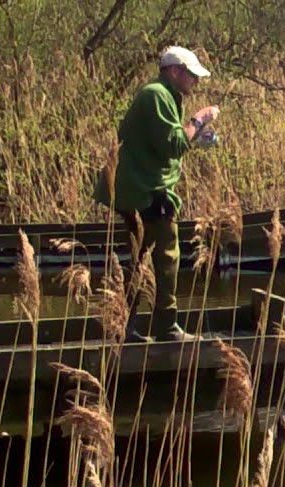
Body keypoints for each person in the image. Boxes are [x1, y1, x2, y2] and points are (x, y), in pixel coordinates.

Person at [94, 45, 220, 342]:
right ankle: (165, 327)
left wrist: (196, 136)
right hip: (143, 190)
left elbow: (166, 145)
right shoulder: (156, 95)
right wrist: (199, 119)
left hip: (143, 188)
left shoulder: (165, 96)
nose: (196, 81)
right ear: (174, 71)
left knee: (140, 257)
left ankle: (125, 326)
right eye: (192, 75)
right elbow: (173, 144)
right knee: (166, 256)